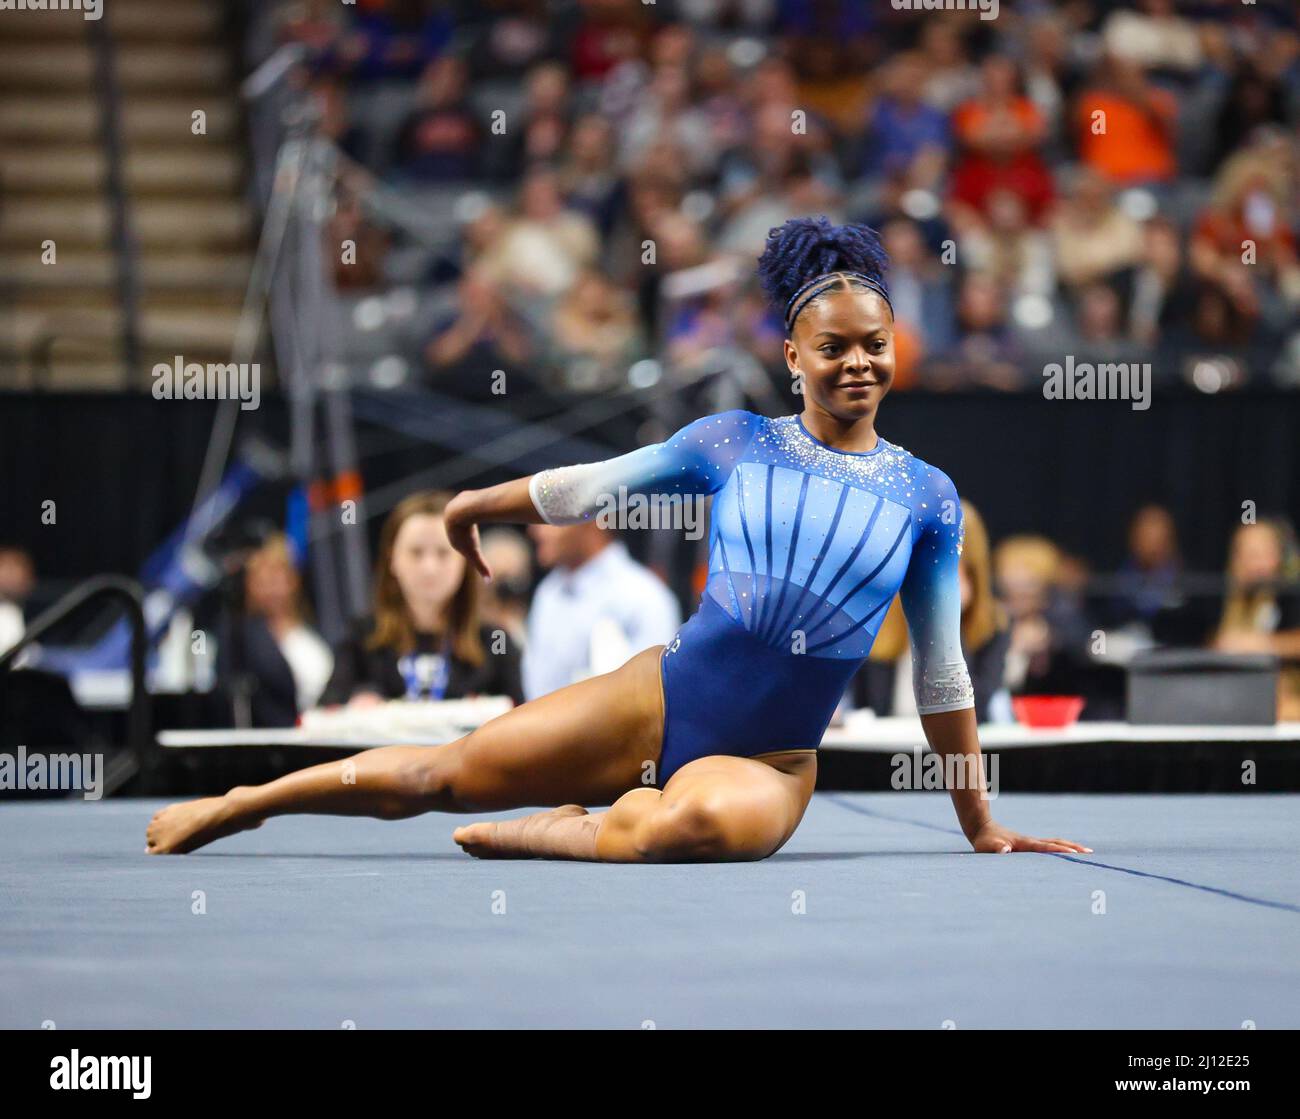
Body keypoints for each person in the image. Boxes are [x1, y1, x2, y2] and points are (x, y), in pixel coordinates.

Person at [146, 218, 1090, 862]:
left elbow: (943, 676)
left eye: (874, 343)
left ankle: (544, 832)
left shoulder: (927, 496)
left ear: (895, 347)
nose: (859, 362)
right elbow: (587, 489)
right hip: (656, 697)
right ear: (792, 355)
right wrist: (476, 503)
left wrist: (979, 824)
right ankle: (240, 805)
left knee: (688, 831)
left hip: (769, 763)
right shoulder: (733, 443)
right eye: (834, 345)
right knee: (443, 771)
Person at [318, 491, 524, 708]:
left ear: (465, 560)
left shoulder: (496, 642)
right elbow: (323, 713)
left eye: (443, 553)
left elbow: (524, 725)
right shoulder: (362, 638)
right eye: (416, 552)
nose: (429, 568)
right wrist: (351, 708)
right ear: (392, 560)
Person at [851, 501, 1010, 724]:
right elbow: (863, 708)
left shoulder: (993, 624)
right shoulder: (878, 616)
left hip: (948, 751)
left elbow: (978, 710)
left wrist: (948, 621)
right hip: (884, 750)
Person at [522, 521, 680, 701]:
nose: (535, 530)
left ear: (592, 518)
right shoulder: (547, 593)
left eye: (550, 519)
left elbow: (652, 698)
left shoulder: (645, 597)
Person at [216, 534, 334, 728]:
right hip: (281, 739)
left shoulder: (316, 626)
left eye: (277, 575)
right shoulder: (239, 635)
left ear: (293, 579)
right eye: (263, 579)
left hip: (328, 729)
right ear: (250, 585)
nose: (272, 587)